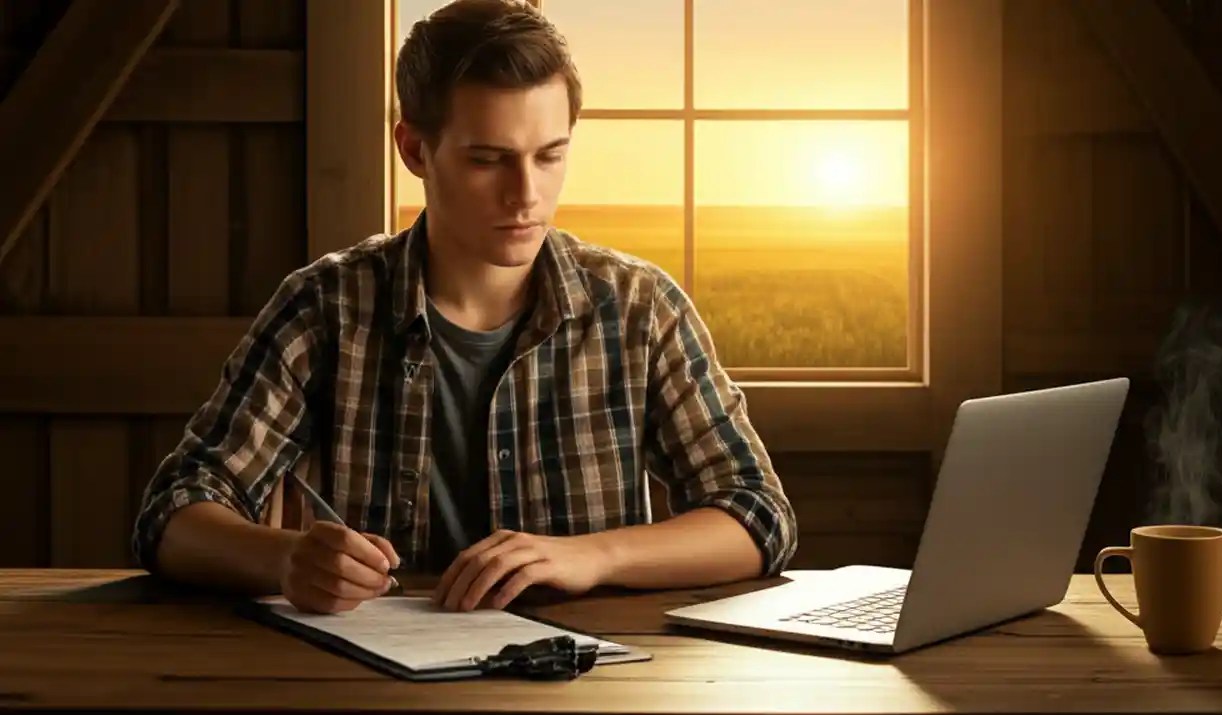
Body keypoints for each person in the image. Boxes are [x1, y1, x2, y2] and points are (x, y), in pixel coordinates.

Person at [132, 0, 797, 615]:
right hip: (373, 688)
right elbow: (174, 512)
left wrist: (590, 555)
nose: (526, 195)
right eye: (489, 160)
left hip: (592, 685)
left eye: (550, 156)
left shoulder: (639, 310)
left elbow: (758, 515)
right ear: (416, 150)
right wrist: (287, 561)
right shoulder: (326, 307)